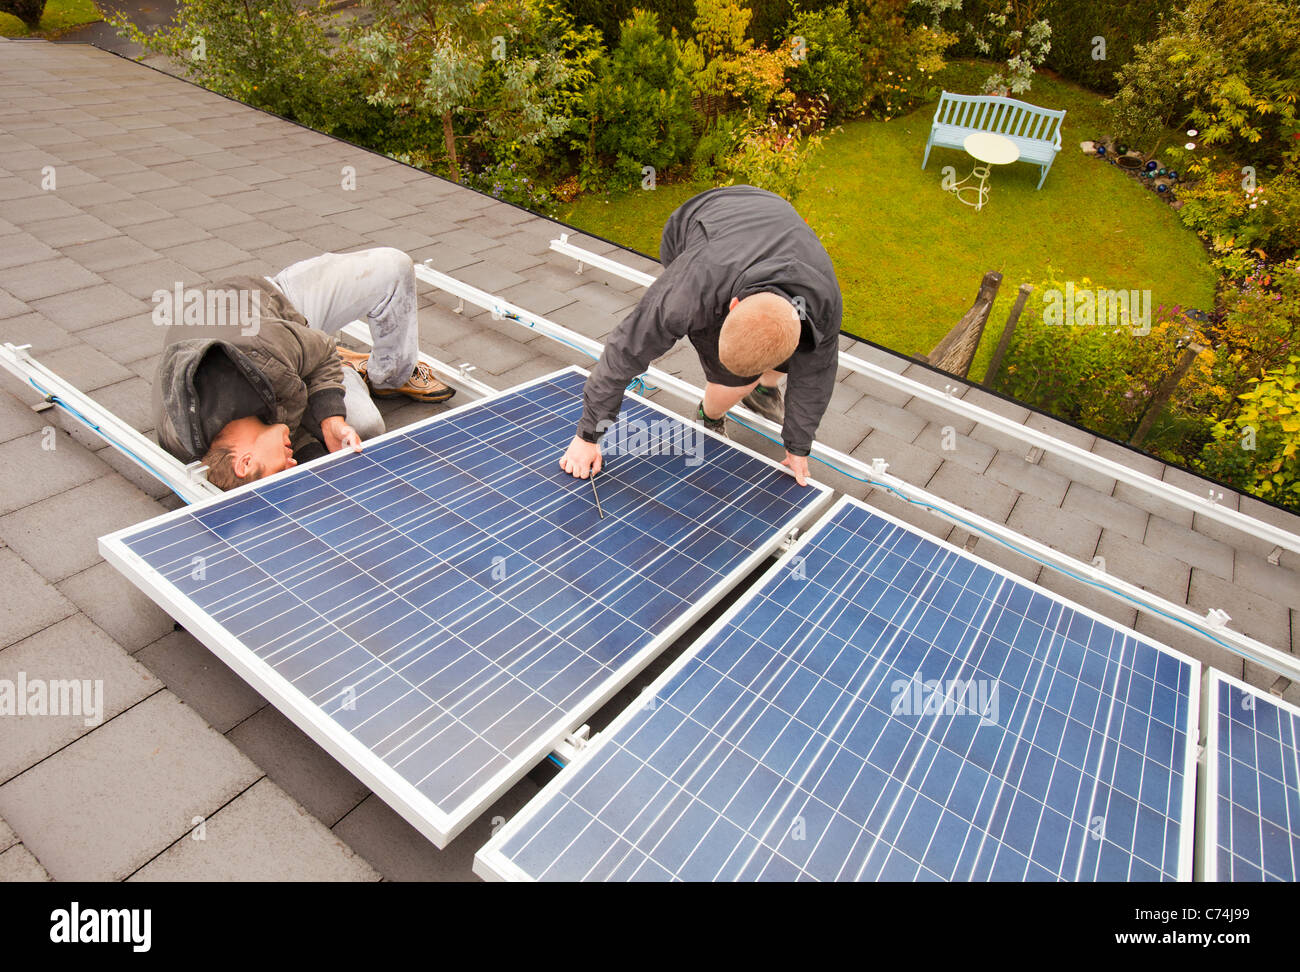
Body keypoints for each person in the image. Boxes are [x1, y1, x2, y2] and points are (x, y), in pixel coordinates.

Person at [558, 185, 843, 487]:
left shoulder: (823, 307)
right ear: (731, 306)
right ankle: (711, 415)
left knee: (771, 356)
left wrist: (798, 446)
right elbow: (628, 347)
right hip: (702, 223)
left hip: (765, 227)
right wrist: (588, 436)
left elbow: (816, 375)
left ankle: (761, 389)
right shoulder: (691, 290)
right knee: (734, 379)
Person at [153, 247, 453, 489]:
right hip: (280, 355)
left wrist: (327, 406)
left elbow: (321, 351)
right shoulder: (197, 445)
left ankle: (390, 376)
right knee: (364, 428)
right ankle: (337, 365)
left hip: (270, 302)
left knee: (394, 266)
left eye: (283, 467)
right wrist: (330, 427)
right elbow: (281, 426)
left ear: (244, 463)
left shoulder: (261, 355)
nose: (292, 463)